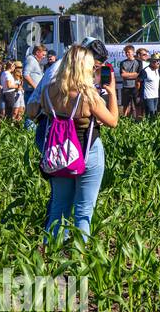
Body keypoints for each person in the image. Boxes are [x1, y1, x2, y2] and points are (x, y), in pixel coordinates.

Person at [25, 45, 117, 244]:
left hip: (59, 152)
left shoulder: (49, 91)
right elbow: (112, 121)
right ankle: (79, 258)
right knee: (84, 209)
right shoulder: (89, 95)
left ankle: (49, 254)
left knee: (59, 207)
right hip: (87, 151)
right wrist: (112, 93)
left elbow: (32, 111)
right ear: (86, 67)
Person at [117, 45, 141, 118]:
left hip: (136, 87)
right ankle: (125, 120)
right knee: (125, 105)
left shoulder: (138, 62)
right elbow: (123, 75)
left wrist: (128, 75)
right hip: (126, 87)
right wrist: (134, 74)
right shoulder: (122, 63)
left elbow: (138, 74)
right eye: (126, 52)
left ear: (133, 52)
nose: (127, 54)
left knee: (137, 105)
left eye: (129, 52)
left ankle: (138, 119)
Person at [140, 53, 160, 118]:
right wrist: (138, 93)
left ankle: (152, 127)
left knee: (154, 113)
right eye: (155, 61)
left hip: (156, 96)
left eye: (158, 61)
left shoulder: (157, 70)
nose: (158, 62)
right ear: (151, 62)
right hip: (148, 96)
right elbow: (138, 81)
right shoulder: (145, 71)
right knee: (150, 114)